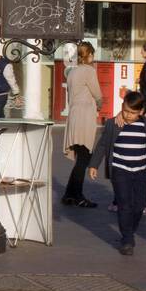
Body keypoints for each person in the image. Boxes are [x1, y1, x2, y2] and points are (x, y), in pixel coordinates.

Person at [89, 90, 146, 255]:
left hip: (140, 171)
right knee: (124, 204)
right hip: (120, 170)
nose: (128, 116)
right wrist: (94, 165)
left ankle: (129, 229)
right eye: (126, 111)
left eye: (133, 113)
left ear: (141, 112)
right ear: (122, 107)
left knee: (140, 204)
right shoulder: (114, 124)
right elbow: (102, 145)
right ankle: (128, 239)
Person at [61, 40, 102, 209]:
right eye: (92, 53)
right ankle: (77, 195)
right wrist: (100, 104)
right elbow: (97, 93)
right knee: (84, 158)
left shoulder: (72, 72)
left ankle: (69, 194)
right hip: (85, 115)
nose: (93, 56)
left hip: (74, 114)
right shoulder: (88, 71)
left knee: (81, 157)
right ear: (88, 55)